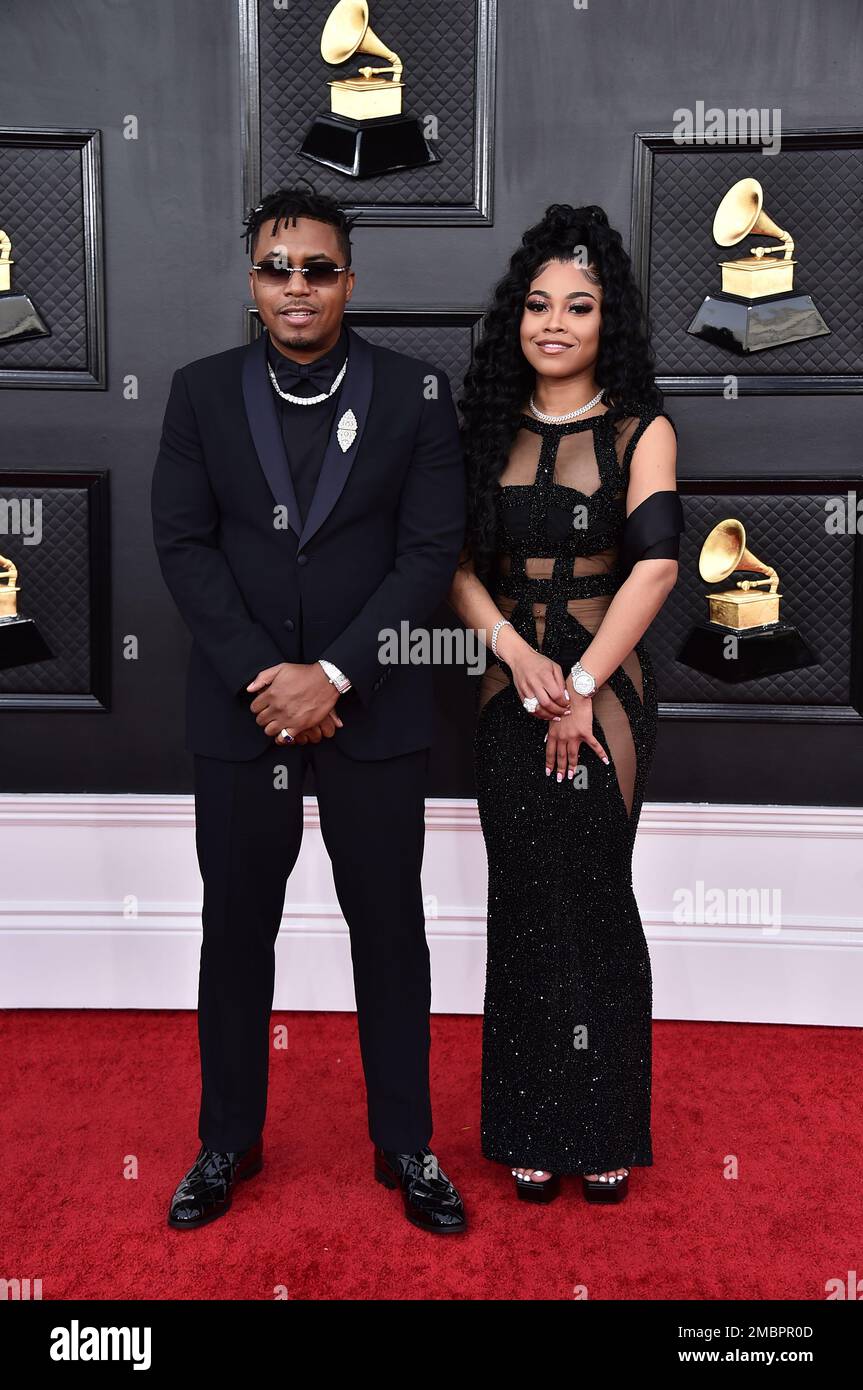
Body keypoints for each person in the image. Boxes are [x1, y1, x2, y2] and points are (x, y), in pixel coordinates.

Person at [151, 185, 467, 1234]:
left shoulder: (415, 393)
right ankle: (225, 1141)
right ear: (253, 280)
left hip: (371, 711)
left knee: (391, 933)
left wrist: (330, 677)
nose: (297, 285)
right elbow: (185, 547)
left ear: (347, 280)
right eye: (277, 267)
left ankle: (406, 1142)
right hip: (240, 713)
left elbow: (427, 554)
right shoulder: (198, 393)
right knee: (233, 932)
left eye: (317, 268)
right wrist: (268, 679)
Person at [447, 202, 684, 1204]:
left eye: (576, 306)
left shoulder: (643, 430)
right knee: (523, 903)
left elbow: (658, 570)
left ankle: (602, 1130)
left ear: (605, 322)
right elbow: (457, 568)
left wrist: (580, 687)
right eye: (536, 304)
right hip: (508, 688)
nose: (553, 322)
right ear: (517, 319)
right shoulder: (484, 432)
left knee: (592, 898)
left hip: (608, 695)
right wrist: (510, 648)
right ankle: (530, 1127)